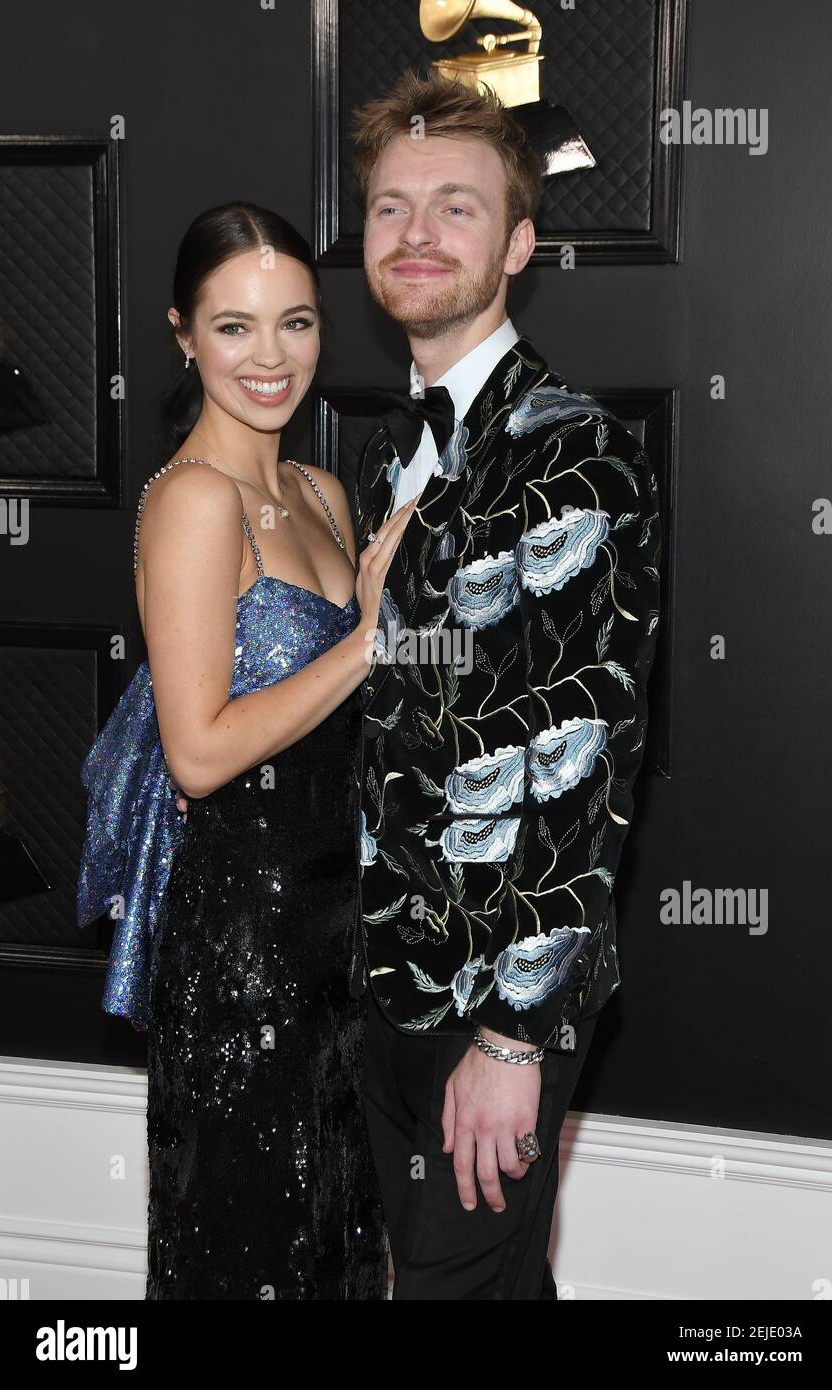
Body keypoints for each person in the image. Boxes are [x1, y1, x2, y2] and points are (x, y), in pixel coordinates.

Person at [347, 70, 662, 1299]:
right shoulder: (386, 449)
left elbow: (584, 752)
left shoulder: (577, 452)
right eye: (389, 208)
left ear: (519, 245)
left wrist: (511, 1033)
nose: (415, 234)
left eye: (454, 207)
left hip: (496, 988)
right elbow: (413, 678)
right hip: (386, 975)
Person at [76, 201, 416, 1299]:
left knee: (338, 1246)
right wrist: (367, 644)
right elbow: (199, 753)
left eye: (296, 323)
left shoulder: (320, 492)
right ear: (182, 334)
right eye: (233, 328)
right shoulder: (191, 501)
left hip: (336, 939)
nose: (270, 358)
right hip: (240, 950)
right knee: (249, 1246)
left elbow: (349, 726)